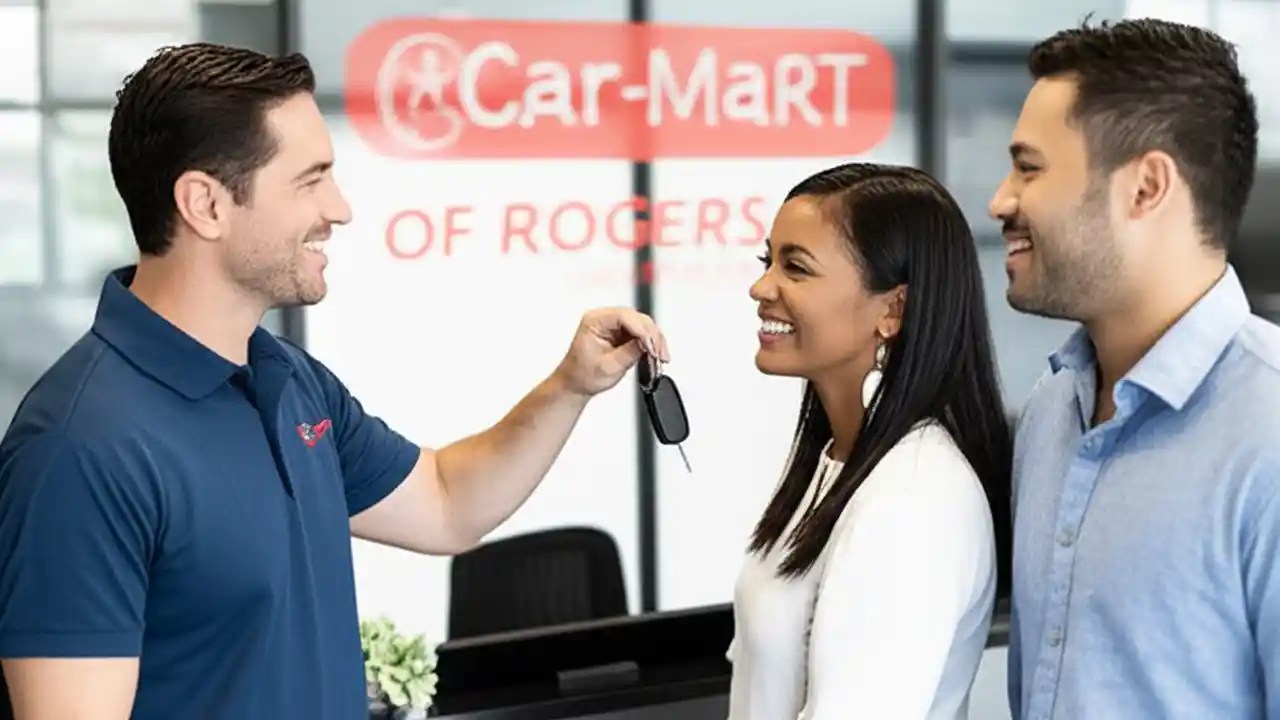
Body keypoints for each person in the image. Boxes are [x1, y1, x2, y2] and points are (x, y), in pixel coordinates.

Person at [0, 43, 669, 720]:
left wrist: (569, 385)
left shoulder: (288, 380)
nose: (340, 208)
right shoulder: (77, 450)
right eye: (310, 179)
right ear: (205, 203)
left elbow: (444, 502)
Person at [990, 18, 1279, 719]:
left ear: (1146, 187)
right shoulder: (1052, 410)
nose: (1001, 199)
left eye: (1030, 167)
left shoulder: (1268, 435)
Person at [726, 162, 1013, 719]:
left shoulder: (913, 499)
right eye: (769, 261)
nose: (761, 287)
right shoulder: (841, 459)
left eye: (797, 268)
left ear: (893, 309)